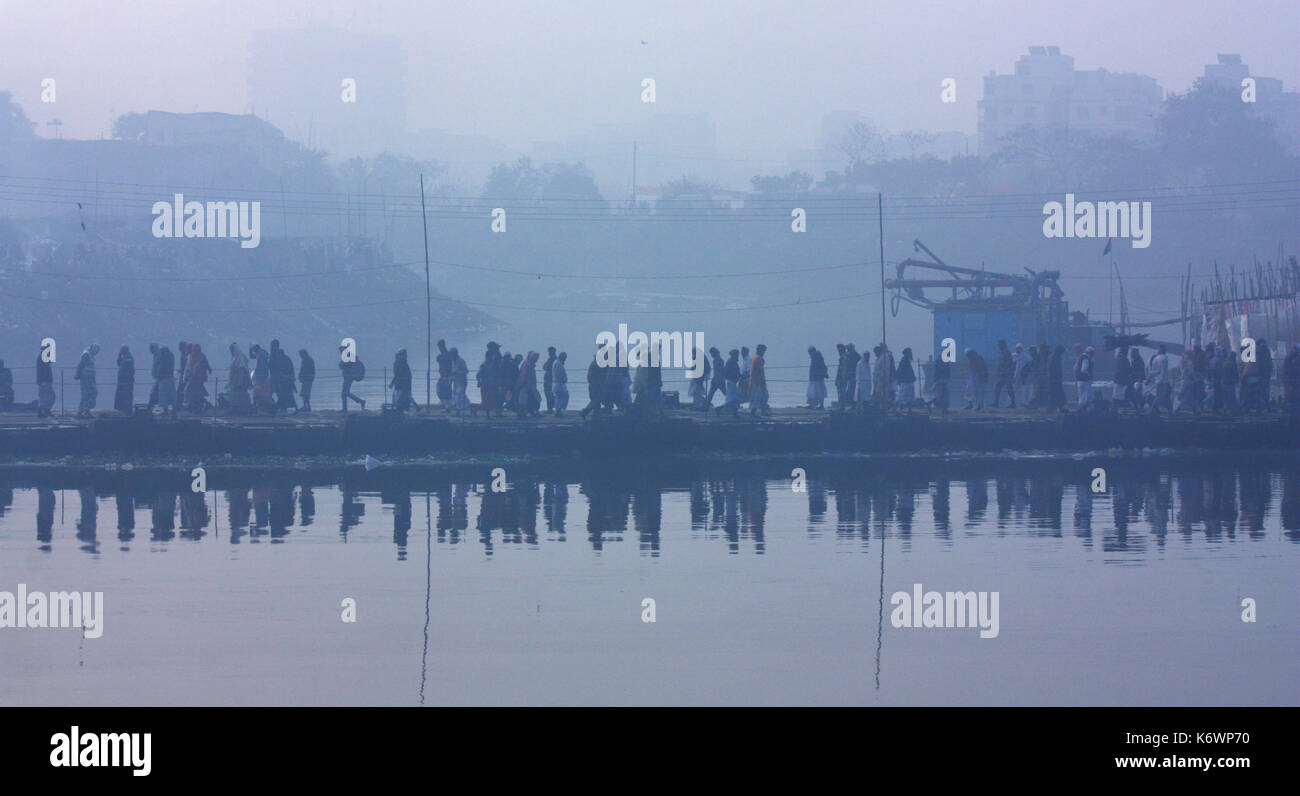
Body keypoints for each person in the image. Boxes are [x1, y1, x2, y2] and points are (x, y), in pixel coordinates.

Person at [269, 340, 296, 414]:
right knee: (281, 394)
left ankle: (279, 407)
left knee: (280, 394)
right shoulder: (276, 354)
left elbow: (275, 366)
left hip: (279, 377)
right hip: (279, 377)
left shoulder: (276, 355)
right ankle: (280, 407)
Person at [74, 344, 100, 419]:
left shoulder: (90, 355)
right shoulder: (86, 355)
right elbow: (80, 365)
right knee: (87, 394)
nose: (96, 353)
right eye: (96, 351)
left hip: (90, 378)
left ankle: (85, 410)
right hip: (86, 377)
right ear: (92, 349)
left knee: (91, 393)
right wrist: (77, 375)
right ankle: (84, 411)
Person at [580, 347, 605, 420]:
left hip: (594, 385)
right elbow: (594, 377)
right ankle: (585, 412)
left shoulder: (594, 364)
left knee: (597, 401)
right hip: (595, 385)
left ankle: (595, 414)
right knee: (595, 400)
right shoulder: (596, 365)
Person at [185, 344, 210, 413]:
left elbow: (204, 364)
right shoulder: (195, 356)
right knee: (196, 393)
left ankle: (198, 407)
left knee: (195, 393)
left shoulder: (199, 356)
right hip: (195, 378)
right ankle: (196, 406)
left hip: (198, 378)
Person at [340, 345, 366, 413]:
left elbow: (345, 366)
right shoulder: (348, 355)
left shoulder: (347, 356)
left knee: (344, 393)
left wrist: (342, 366)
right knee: (346, 393)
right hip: (349, 376)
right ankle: (361, 401)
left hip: (349, 377)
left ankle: (345, 409)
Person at [227, 344, 252, 414]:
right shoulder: (235, 357)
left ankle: (243, 409)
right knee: (235, 395)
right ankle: (236, 408)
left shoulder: (240, 357)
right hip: (235, 381)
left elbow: (242, 370)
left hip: (239, 381)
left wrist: (240, 382)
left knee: (241, 395)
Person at [516, 351, 541, 418]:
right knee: (524, 400)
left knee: (531, 399)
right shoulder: (527, 364)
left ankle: (530, 412)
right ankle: (522, 413)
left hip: (529, 385)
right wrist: (527, 384)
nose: (536, 360)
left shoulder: (528, 364)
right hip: (526, 385)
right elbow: (524, 376)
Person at [718, 349, 742, 418]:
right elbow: (728, 372)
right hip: (731, 382)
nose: (738, 355)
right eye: (737, 354)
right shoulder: (731, 362)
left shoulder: (732, 361)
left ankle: (733, 413)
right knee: (733, 399)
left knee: (732, 399)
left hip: (732, 382)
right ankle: (733, 413)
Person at [748, 344, 771, 416]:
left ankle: (763, 411)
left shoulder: (757, 358)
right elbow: (758, 371)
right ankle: (753, 412)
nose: (764, 352)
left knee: (764, 396)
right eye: (763, 351)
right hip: (757, 382)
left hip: (758, 381)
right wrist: (761, 381)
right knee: (757, 397)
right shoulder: (758, 358)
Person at [1149, 345, 1172, 414]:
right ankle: (1154, 410)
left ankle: (1153, 410)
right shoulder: (1165, 358)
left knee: (1159, 396)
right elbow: (1162, 371)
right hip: (1164, 381)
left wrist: (1149, 377)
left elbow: (1155, 371)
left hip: (1160, 381)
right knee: (1163, 396)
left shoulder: (1157, 358)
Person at [993, 339, 1015, 408]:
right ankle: (996, 402)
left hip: (1006, 373)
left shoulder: (1006, 353)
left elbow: (1008, 363)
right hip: (1003, 373)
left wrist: (1003, 370)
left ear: (1002, 345)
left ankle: (1013, 403)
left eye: (999, 344)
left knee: (1008, 388)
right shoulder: (1002, 352)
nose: (998, 346)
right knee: (999, 387)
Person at [36, 346, 55, 418]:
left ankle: (43, 411)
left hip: (43, 381)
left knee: (44, 397)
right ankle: (44, 410)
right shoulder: (43, 357)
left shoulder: (41, 357)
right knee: (49, 397)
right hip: (44, 381)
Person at [114, 346, 134, 414]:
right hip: (122, 380)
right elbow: (118, 363)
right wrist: (119, 356)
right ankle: (122, 409)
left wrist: (126, 378)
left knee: (127, 395)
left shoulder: (129, 357)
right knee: (122, 395)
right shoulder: (124, 357)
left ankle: (127, 410)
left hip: (126, 381)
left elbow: (129, 370)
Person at [450, 347, 470, 415]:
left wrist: (457, 373)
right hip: (455, 382)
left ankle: (458, 411)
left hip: (462, 382)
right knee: (460, 396)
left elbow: (466, 371)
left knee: (459, 396)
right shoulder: (453, 362)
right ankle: (471, 407)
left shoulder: (461, 361)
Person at [1074, 345, 1095, 411]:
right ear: (1091, 353)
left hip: (1080, 380)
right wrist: (1088, 376)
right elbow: (1083, 370)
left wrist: (1076, 379)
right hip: (1084, 380)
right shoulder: (1086, 358)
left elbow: (1074, 368)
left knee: (1081, 396)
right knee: (1084, 397)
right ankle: (1082, 411)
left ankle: (1080, 410)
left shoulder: (1080, 357)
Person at [1282, 344, 1300, 418]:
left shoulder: (1290, 360)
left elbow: (1286, 367)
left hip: (1293, 383)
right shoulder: (1293, 361)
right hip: (1294, 383)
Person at [1047, 345, 1066, 412]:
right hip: (1054, 379)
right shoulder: (1055, 358)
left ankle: (1057, 407)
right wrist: (1055, 378)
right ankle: (1054, 408)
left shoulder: (1055, 357)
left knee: (1056, 394)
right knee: (1056, 394)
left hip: (1055, 379)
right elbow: (1053, 369)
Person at [436, 339, 453, 411]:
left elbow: (448, 366)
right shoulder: (442, 355)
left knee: (444, 392)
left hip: (446, 376)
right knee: (441, 391)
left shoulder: (446, 355)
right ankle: (445, 406)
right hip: (443, 375)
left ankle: (447, 407)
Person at [553, 351, 569, 416]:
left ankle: (558, 410)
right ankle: (558, 411)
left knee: (560, 397)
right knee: (562, 397)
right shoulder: (558, 364)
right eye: (564, 357)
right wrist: (563, 379)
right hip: (559, 383)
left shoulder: (558, 363)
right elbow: (559, 374)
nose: (565, 359)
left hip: (559, 383)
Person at [542, 346, 557, 415]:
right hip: (549, 379)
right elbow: (544, 367)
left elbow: (545, 367)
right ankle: (550, 408)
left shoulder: (553, 360)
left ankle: (550, 409)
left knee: (549, 394)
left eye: (550, 352)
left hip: (550, 380)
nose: (549, 353)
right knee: (549, 394)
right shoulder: (551, 359)